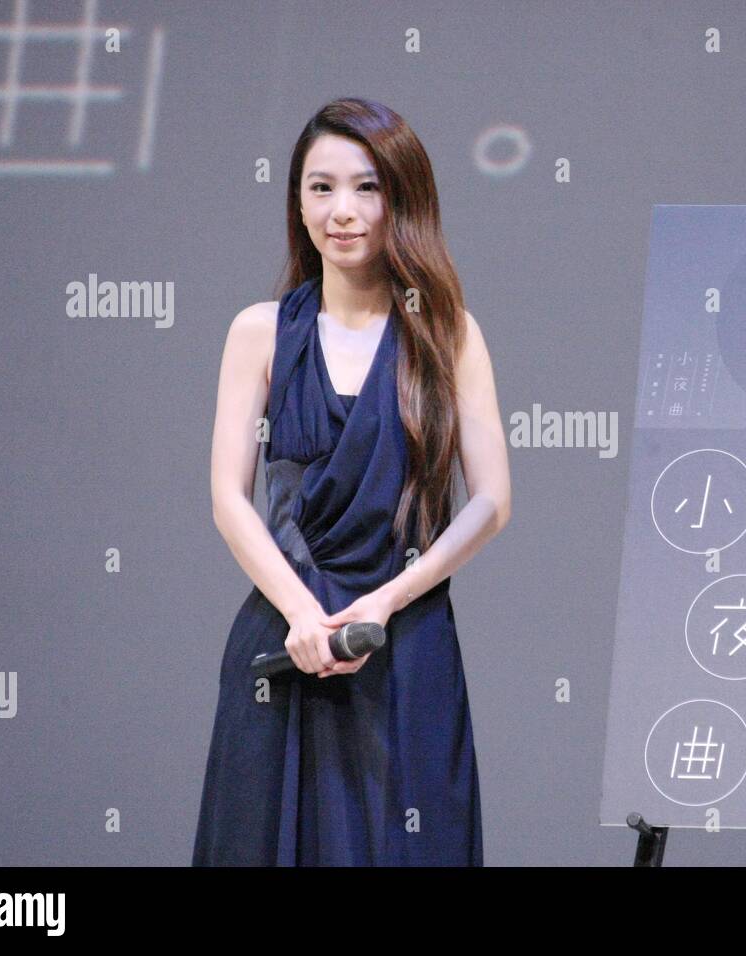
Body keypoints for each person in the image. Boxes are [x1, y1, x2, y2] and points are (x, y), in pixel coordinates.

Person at [192, 98, 511, 865]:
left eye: (366, 187)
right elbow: (228, 499)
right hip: (286, 639)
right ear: (297, 203)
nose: (343, 211)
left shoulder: (448, 332)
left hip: (407, 638)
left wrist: (388, 600)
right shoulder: (259, 331)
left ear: (402, 199)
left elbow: (493, 501)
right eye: (320, 188)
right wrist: (304, 617)